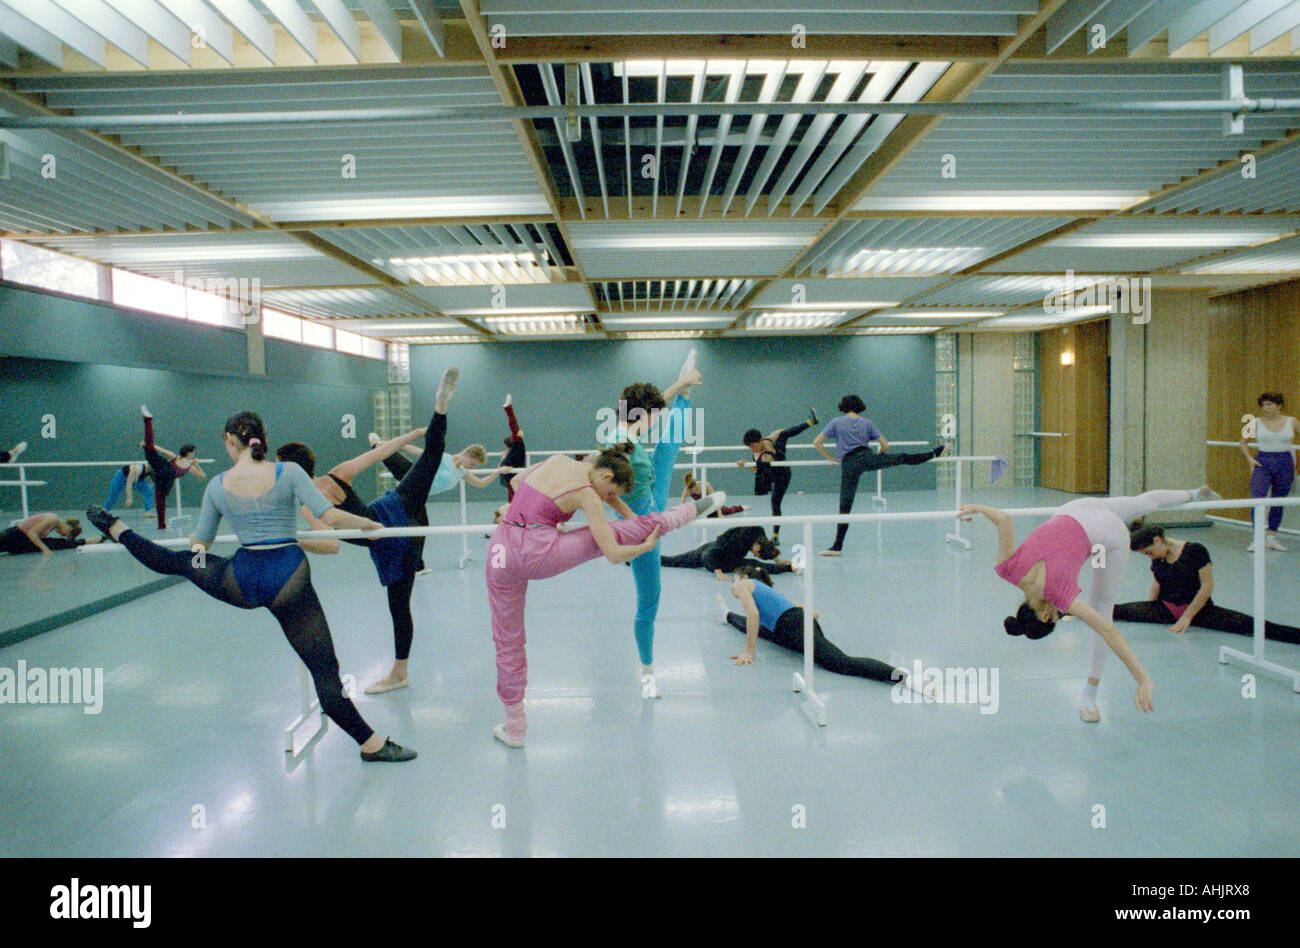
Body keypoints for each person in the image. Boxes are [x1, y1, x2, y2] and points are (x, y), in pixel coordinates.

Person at [85, 411, 416, 763]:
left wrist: (196, 561)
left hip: (238, 580)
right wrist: (371, 527)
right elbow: (331, 517)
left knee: (180, 562)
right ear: (264, 439)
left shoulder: (217, 485)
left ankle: (118, 529)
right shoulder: (289, 472)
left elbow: (203, 542)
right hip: (287, 581)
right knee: (324, 671)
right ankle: (371, 744)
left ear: (230, 440)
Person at [486, 446, 725, 747]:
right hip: (538, 555)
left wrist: (547, 518)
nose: (605, 499)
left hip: (500, 551)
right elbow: (613, 553)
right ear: (606, 475)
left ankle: (515, 729)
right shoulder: (588, 492)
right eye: (609, 493)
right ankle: (686, 512)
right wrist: (645, 544)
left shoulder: (559, 460)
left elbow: (518, 482)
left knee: (507, 641)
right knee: (609, 536)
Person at [962, 485, 1220, 723]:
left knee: (1101, 610)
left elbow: (1109, 631)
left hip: (1108, 536)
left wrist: (1143, 679)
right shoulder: (1008, 569)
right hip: (1077, 510)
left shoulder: (1060, 595)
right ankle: (1194, 494)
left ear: (1045, 617)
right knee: (1145, 501)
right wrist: (974, 508)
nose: (1061, 612)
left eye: (1056, 617)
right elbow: (1003, 519)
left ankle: (1090, 695)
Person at [279, 366, 462, 696]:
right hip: (399, 510)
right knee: (433, 456)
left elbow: (331, 547)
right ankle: (440, 406)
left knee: (399, 606)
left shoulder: (309, 505)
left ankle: (399, 673)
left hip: (389, 537)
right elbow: (380, 451)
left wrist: (298, 540)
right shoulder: (335, 475)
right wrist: (415, 433)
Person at [597, 350, 703, 698]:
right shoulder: (618, 442)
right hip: (644, 522)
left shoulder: (628, 432)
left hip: (652, 494)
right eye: (655, 414)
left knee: (668, 446)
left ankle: (686, 397)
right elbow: (606, 491)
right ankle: (647, 670)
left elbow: (653, 414)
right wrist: (635, 522)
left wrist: (680, 387)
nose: (657, 417)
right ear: (644, 415)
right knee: (649, 601)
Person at [716, 565, 920, 690]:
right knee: (759, 630)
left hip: (793, 626)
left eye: (732, 580)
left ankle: (905, 678)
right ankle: (726, 615)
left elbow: (752, 614)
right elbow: (812, 613)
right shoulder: (766, 593)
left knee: (841, 663)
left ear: (743, 577)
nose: (731, 586)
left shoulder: (745, 585)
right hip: (787, 628)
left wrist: (749, 653)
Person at [1114, 524, 1300, 644]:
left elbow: (1207, 586)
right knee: (1114, 611)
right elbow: (1157, 581)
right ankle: (1083, 609)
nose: (1150, 556)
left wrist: (1187, 616)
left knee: (1257, 627)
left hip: (1200, 611)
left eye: (1148, 552)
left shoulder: (1196, 550)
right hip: (1165, 608)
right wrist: (1150, 607)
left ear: (1157, 540)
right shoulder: (1159, 557)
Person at [813, 395, 944, 556]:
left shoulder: (836, 422)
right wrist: (879, 458)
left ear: (843, 406)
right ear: (859, 406)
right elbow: (885, 445)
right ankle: (933, 453)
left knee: (845, 506)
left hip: (850, 463)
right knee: (902, 457)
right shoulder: (867, 423)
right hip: (868, 457)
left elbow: (817, 442)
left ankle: (837, 547)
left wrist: (830, 457)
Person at [735, 411, 818, 542]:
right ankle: (776, 536)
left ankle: (810, 422)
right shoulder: (758, 454)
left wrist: (787, 431)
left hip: (783, 474)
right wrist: (745, 464)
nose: (752, 449)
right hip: (771, 474)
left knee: (783, 434)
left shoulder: (769, 440)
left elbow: (782, 432)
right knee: (775, 502)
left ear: (760, 440)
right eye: (749, 447)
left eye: (753, 446)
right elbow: (757, 470)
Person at [1241, 391, 1295, 552]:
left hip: (1285, 461)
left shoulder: (1292, 422)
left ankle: (1271, 537)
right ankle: (1257, 539)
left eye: (1270, 404)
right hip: (1262, 461)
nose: (1266, 408)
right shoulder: (1254, 422)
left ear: (1279, 406)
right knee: (1257, 498)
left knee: (1278, 500)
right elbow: (1242, 442)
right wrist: (1250, 459)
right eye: (1263, 405)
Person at [140, 406, 206, 530]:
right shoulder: (189, 467)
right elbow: (203, 476)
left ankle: (147, 421)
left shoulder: (175, 457)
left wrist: (147, 445)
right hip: (167, 477)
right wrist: (197, 465)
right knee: (160, 500)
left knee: (150, 449)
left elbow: (161, 450)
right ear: (190, 453)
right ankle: (161, 525)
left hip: (162, 467)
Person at [660, 525, 796, 578]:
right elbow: (708, 555)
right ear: (758, 546)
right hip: (713, 556)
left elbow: (768, 548)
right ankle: (649, 556)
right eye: (757, 552)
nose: (755, 554)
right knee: (672, 561)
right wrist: (717, 571)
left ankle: (788, 567)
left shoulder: (758, 531)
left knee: (754, 563)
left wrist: (776, 558)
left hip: (731, 557)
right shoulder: (735, 541)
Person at [0, 514, 99, 555]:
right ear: (69, 528)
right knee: (55, 543)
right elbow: (32, 533)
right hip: (13, 536)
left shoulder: (53, 525)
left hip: (21, 541)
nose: (61, 534)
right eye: (65, 534)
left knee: (57, 543)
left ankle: (88, 541)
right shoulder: (52, 519)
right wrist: (45, 550)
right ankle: (88, 541)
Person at [681, 472, 747, 517]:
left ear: (696, 485)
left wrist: (720, 514)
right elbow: (682, 503)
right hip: (702, 508)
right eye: (692, 490)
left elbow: (715, 499)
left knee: (728, 511)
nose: (694, 491)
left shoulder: (706, 485)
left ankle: (741, 507)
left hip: (712, 506)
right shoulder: (687, 490)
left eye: (695, 489)